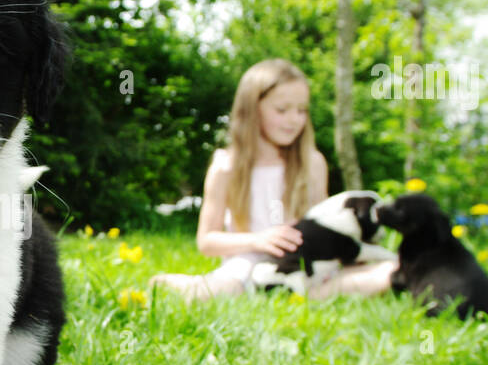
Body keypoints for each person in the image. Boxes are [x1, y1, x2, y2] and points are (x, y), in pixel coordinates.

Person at [150, 58, 396, 303]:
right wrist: (259, 239)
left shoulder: (312, 163)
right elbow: (207, 241)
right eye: (282, 110)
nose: (294, 120)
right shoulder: (225, 167)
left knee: (387, 273)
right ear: (252, 109)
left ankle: (304, 292)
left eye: (301, 110)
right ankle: (181, 284)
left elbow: (325, 225)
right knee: (216, 294)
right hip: (246, 266)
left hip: (305, 266)